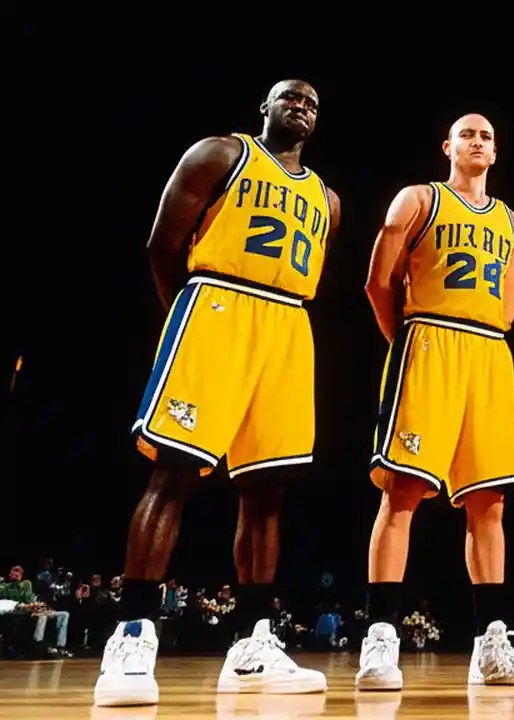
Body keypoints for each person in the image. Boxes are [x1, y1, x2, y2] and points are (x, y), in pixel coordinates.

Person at [95, 79, 338, 707]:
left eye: (311, 102)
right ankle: (132, 633)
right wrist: (190, 314)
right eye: (289, 97)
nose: (301, 106)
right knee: (173, 474)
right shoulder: (220, 153)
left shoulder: (327, 199)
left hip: (287, 324)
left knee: (266, 492)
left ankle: (252, 644)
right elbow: (162, 244)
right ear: (265, 107)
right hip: (218, 304)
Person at [355, 113, 514, 690]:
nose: (477, 141)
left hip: (488, 352)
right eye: (467, 134)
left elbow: (508, 308)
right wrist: (406, 342)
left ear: (496, 152)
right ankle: (380, 639)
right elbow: (378, 282)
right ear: (447, 147)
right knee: (403, 492)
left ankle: (491, 645)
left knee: (489, 503)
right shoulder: (418, 199)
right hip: (428, 340)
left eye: (486, 136)